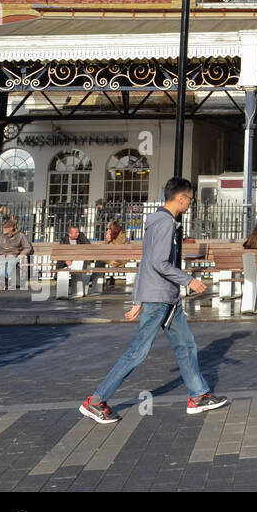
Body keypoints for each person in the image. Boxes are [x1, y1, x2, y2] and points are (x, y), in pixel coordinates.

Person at [79, 177, 228, 424]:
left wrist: (138, 297)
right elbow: (158, 263)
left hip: (166, 298)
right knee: (137, 352)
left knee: (186, 346)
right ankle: (95, 401)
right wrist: (187, 280)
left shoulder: (158, 221)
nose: (190, 203)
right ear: (181, 198)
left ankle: (198, 396)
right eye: (189, 199)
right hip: (160, 298)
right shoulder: (166, 223)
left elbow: (146, 261)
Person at [0, 218, 33, 290]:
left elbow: (27, 248)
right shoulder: (0, 237)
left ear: (11, 228)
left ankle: (3, 280)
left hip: (14, 255)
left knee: (11, 260)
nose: (4, 231)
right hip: (1, 255)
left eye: (5, 229)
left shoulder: (20, 236)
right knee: (2, 261)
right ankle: (4, 279)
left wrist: (20, 256)